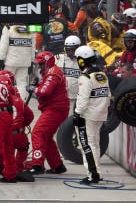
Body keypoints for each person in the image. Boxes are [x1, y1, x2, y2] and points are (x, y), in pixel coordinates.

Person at [73, 45, 112, 185]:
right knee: (95, 144)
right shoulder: (103, 75)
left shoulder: (85, 77)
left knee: (87, 145)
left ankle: (93, 175)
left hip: (87, 116)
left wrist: (76, 114)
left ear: (82, 61)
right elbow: (108, 96)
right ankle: (97, 173)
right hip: (100, 115)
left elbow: (83, 100)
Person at [28, 51, 69, 175]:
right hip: (54, 109)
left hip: (55, 109)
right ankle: (57, 165)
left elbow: (45, 91)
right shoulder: (50, 72)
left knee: (38, 133)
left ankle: (37, 165)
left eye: (41, 64)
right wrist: (38, 85)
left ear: (47, 63)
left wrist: (34, 88)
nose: (39, 67)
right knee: (46, 137)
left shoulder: (53, 73)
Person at [0, 69, 35, 181]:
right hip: (19, 133)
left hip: (6, 135)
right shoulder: (18, 99)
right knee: (23, 147)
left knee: (1, 150)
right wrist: (21, 124)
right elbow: (30, 116)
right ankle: (18, 168)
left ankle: (4, 169)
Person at [0, 24, 35, 97]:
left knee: (6, 82)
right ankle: (21, 104)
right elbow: (33, 47)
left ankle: (6, 101)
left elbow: (4, 45)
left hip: (10, 62)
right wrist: (32, 60)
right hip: (25, 62)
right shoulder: (30, 29)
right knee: (22, 83)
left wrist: (1, 59)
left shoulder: (8, 28)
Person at [57, 35, 82, 110]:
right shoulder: (58, 58)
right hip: (60, 96)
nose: (70, 52)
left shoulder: (84, 60)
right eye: (68, 50)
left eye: (73, 50)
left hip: (75, 97)